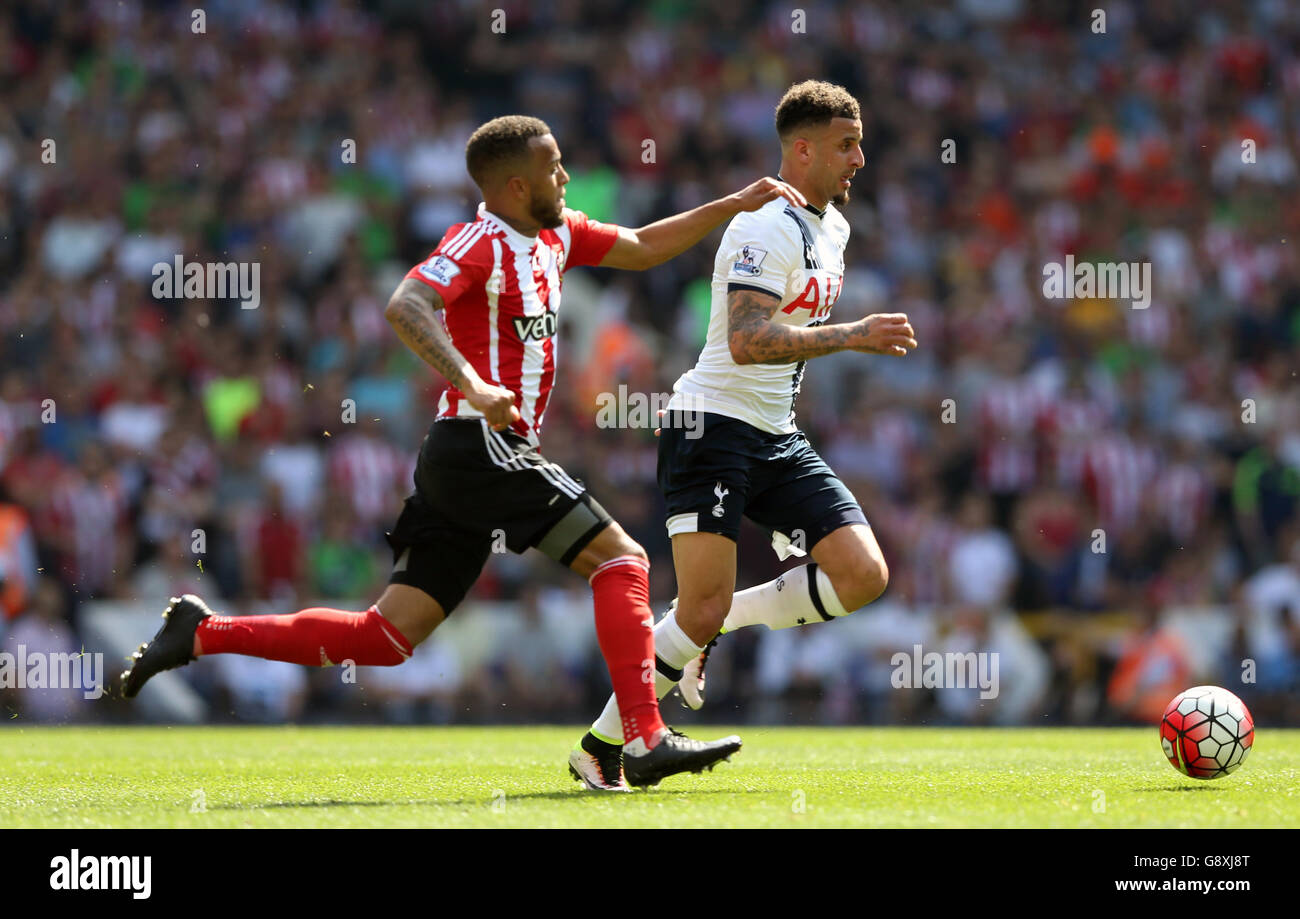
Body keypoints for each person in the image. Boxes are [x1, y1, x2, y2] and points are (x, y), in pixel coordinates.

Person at [121, 115, 807, 791]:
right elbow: (406, 304)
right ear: (513, 185)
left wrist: (732, 204)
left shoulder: (555, 234)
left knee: (385, 637)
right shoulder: (480, 240)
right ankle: (642, 737)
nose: (566, 177)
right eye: (553, 167)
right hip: (477, 444)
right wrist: (475, 384)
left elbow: (642, 244)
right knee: (624, 558)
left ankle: (203, 631)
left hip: (467, 458)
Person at [575, 81, 917, 765]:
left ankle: (720, 620)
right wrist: (851, 335)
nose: (860, 158)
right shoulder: (762, 225)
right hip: (712, 426)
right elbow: (747, 339)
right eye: (847, 145)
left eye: (860, 143)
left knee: (863, 574)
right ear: (802, 149)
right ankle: (604, 749)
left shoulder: (836, 227)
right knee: (694, 607)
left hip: (775, 432)